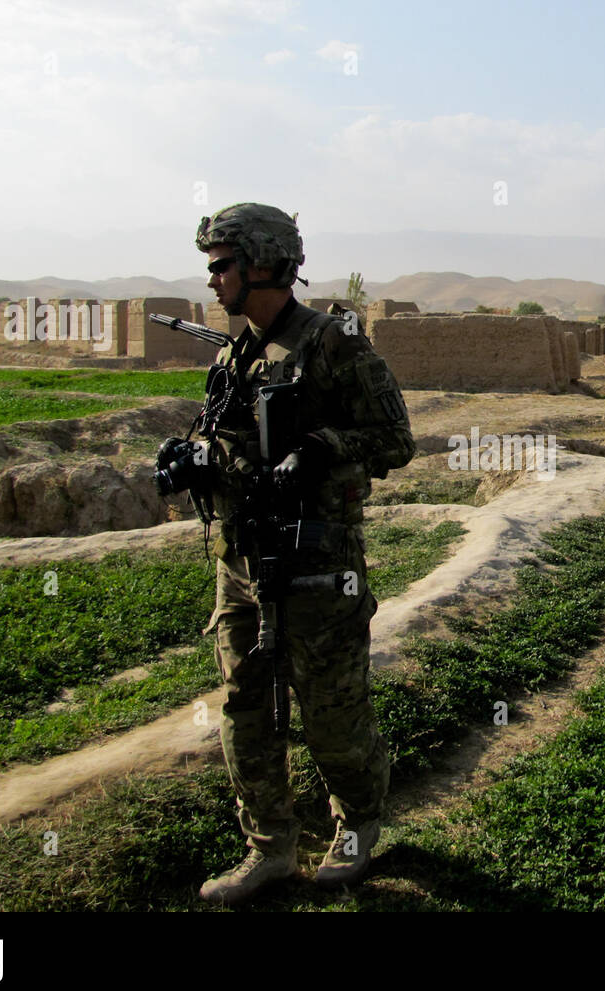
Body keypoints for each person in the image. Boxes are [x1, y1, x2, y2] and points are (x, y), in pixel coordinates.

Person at [182, 203, 415, 905]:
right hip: (243, 565)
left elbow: (394, 439)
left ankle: (357, 828)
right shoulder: (234, 354)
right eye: (212, 265)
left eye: (222, 264)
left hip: (317, 565)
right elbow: (229, 445)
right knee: (243, 711)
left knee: (331, 714)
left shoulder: (331, 343)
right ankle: (269, 850)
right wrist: (193, 460)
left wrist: (321, 449)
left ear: (262, 264)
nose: (212, 278)